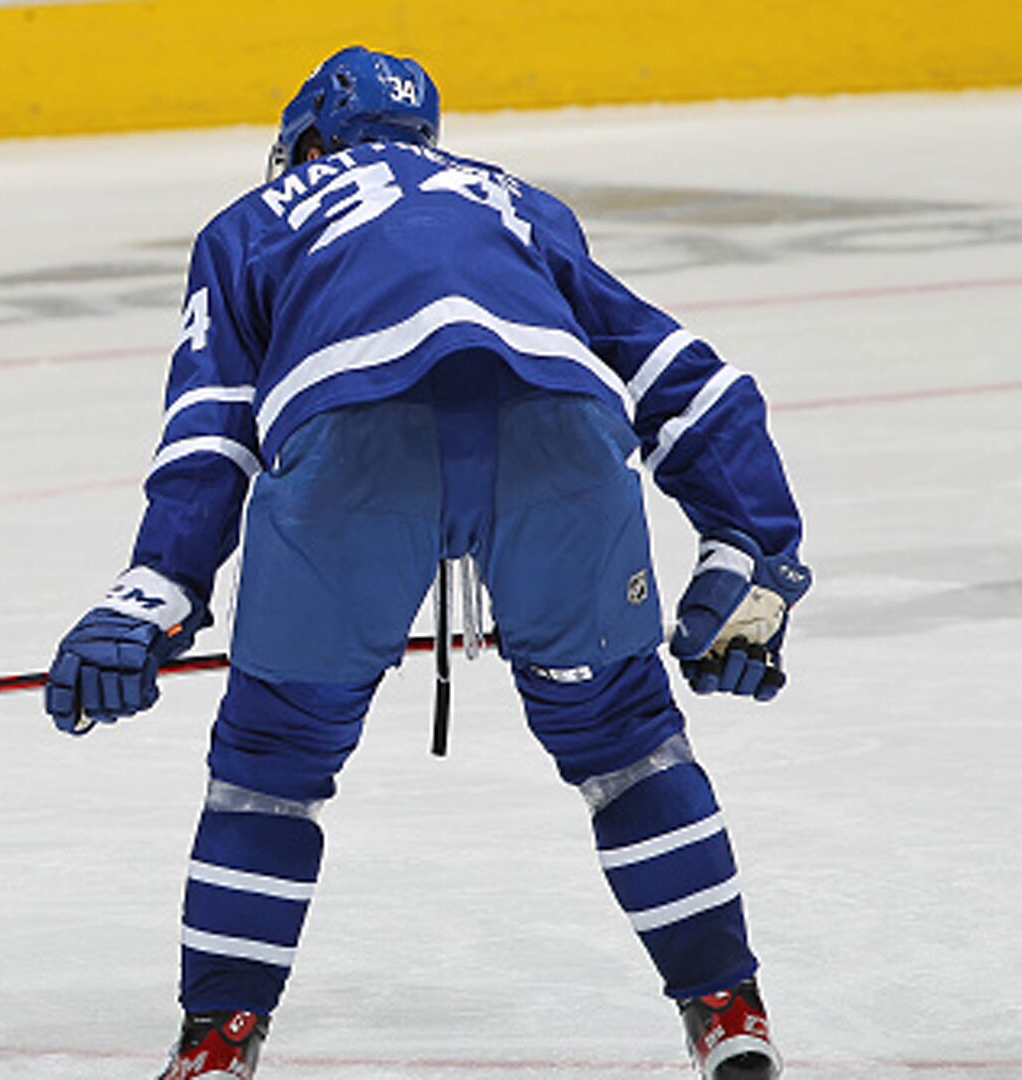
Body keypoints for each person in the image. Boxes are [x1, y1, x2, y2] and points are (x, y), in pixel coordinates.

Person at [44, 46, 809, 1080]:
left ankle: (218, 1043)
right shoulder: (517, 204)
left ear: (306, 143)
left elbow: (210, 427)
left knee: (272, 769)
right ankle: (728, 1009)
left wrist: (158, 591)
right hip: (558, 441)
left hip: (356, 449)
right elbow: (689, 378)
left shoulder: (253, 221)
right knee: (625, 741)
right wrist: (752, 545)